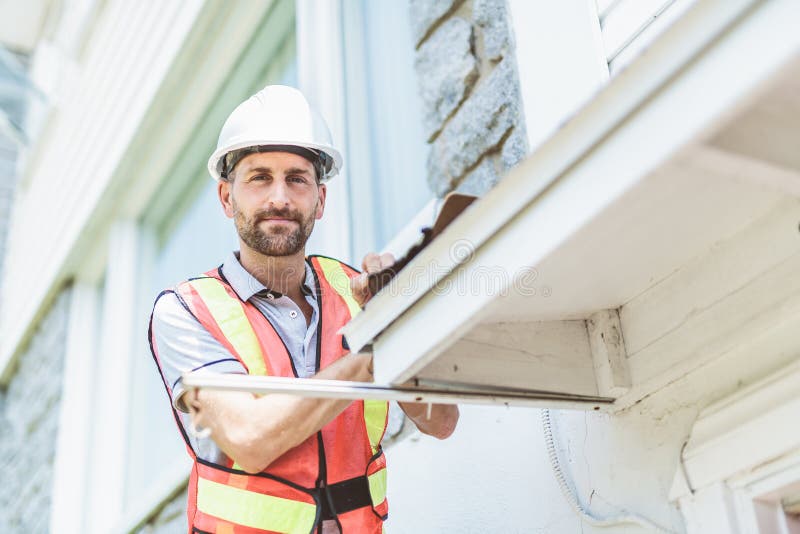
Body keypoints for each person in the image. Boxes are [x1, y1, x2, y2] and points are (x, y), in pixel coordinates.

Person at [148, 85, 459, 534]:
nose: (280, 198)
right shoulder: (186, 311)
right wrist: (372, 353)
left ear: (321, 199)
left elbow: (442, 422)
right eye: (259, 177)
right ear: (225, 197)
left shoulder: (357, 293)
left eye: (297, 179)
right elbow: (250, 439)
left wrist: (399, 319)